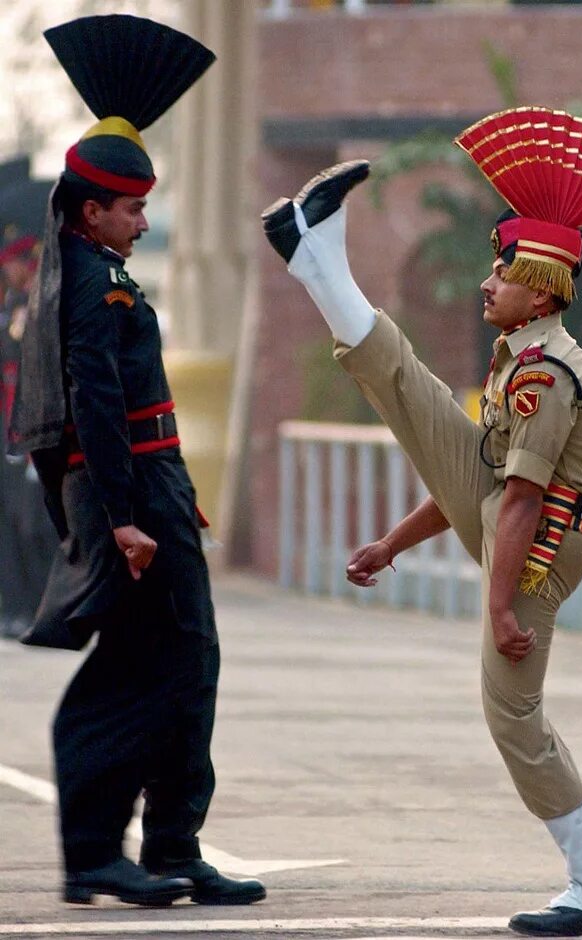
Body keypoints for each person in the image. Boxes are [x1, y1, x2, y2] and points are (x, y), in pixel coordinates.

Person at [261, 107, 582, 936]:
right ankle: (316, 260)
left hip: (542, 552)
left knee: (512, 716)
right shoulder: (519, 360)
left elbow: (519, 501)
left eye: (500, 269)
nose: (485, 280)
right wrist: (392, 544)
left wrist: (503, 604)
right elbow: (472, 481)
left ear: (540, 285)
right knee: (411, 390)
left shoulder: (548, 377)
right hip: (519, 524)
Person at [9, 15, 265, 908]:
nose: (144, 222)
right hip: (127, 496)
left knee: (185, 663)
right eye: (133, 208)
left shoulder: (102, 272)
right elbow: (96, 405)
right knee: (134, 672)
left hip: (154, 489)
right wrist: (120, 515)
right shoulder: (87, 283)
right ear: (92, 211)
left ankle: (171, 845)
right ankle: (93, 854)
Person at [0, 180, 60, 639]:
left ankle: (47, 611)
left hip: (42, 431)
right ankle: (17, 608)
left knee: (37, 527)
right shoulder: (17, 303)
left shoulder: (47, 300)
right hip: (13, 432)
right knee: (13, 528)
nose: (16, 273)